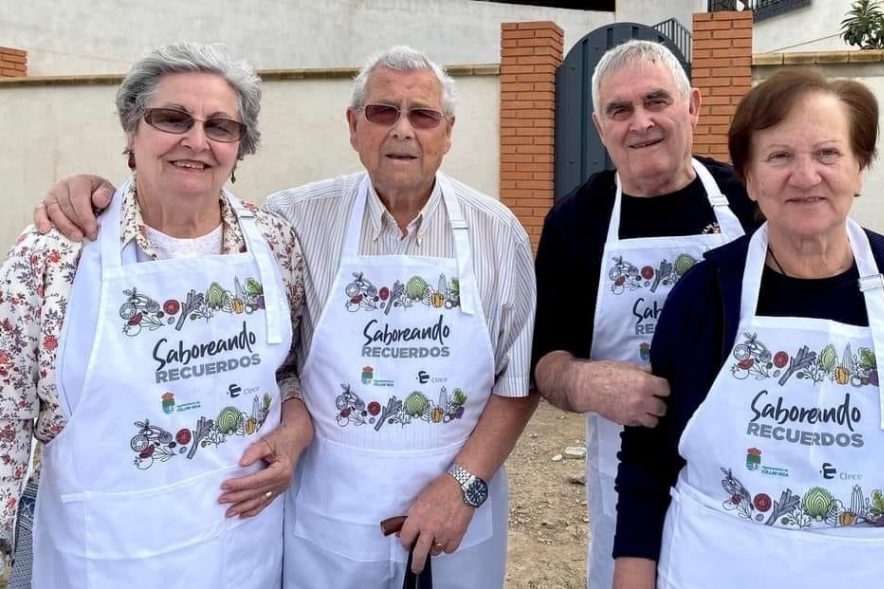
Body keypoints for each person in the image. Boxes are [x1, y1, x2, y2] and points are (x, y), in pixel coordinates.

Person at [34, 45, 537, 588]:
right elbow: (275, 356)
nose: (403, 131)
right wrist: (95, 192)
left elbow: (517, 376)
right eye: (383, 111)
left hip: (457, 516)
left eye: (423, 115)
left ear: (449, 131)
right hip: (328, 523)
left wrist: (464, 485)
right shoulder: (291, 221)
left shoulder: (497, 231)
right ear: (353, 124)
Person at [613, 68, 884, 589]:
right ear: (752, 179)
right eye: (779, 156)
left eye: (827, 154)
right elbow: (648, 460)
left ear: (859, 170)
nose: (805, 177)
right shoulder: (704, 296)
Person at [0, 41, 312, 588]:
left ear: (241, 148)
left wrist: (295, 426)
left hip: (242, 552)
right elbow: (7, 415)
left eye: (220, 127)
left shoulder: (276, 243)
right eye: (171, 118)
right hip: (102, 558)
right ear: (131, 132)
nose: (196, 140)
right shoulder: (54, 253)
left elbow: (289, 369)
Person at [531, 39, 757, 587]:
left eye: (656, 101)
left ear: (693, 106)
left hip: (745, 468)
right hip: (626, 475)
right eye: (620, 109)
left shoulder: (750, 202)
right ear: (599, 125)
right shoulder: (574, 223)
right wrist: (582, 382)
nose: (641, 123)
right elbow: (543, 360)